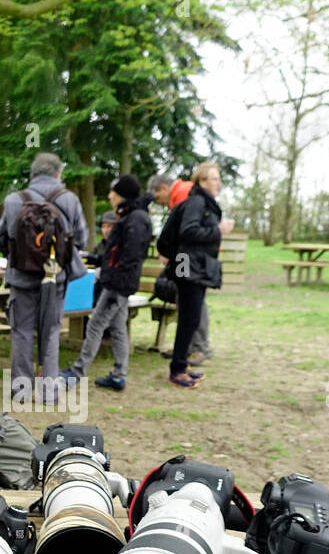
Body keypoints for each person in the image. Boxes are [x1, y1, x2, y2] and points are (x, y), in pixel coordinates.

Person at [0, 152, 88, 404]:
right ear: (58, 173)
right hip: (55, 278)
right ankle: (48, 392)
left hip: (21, 279)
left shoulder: (15, 200)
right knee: (51, 331)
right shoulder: (68, 199)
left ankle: (21, 391)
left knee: (22, 331)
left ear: (33, 174)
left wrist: (19, 259)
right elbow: (82, 239)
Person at [59, 175, 151, 392]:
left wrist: (114, 279)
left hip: (118, 284)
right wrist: (94, 258)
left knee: (95, 324)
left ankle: (77, 372)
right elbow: (115, 253)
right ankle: (119, 375)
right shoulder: (129, 216)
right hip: (119, 282)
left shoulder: (136, 219)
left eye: (113, 192)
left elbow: (131, 256)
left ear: (122, 195)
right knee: (118, 328)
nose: (109, 196)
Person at [158, 161, 232, 389]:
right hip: (187, 265)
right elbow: (188, 231)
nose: (218, 182)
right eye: (213, 178)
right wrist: (217, 230)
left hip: (193, 265)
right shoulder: (197, 202)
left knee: (190, 317)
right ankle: (177, 370)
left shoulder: (203, 202)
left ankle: (181, 364)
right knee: (188, 316)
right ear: (201, 181)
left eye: (218, 178)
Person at [153, 175, 213, 365]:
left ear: (164, 187)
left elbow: (183, 231)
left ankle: (199, 347)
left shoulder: (183, 193)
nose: (161, 202)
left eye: (158, 197)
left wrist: (170, 254)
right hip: (188, 255)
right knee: (184, 297)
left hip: (190, 256)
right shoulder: (183, 192)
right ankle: (185, 346)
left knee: (193, 299)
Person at [84, 210, 118, 306]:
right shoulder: (101, 244)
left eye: (109, 227)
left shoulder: (118, 245)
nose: (105, 230)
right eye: (104, 227)